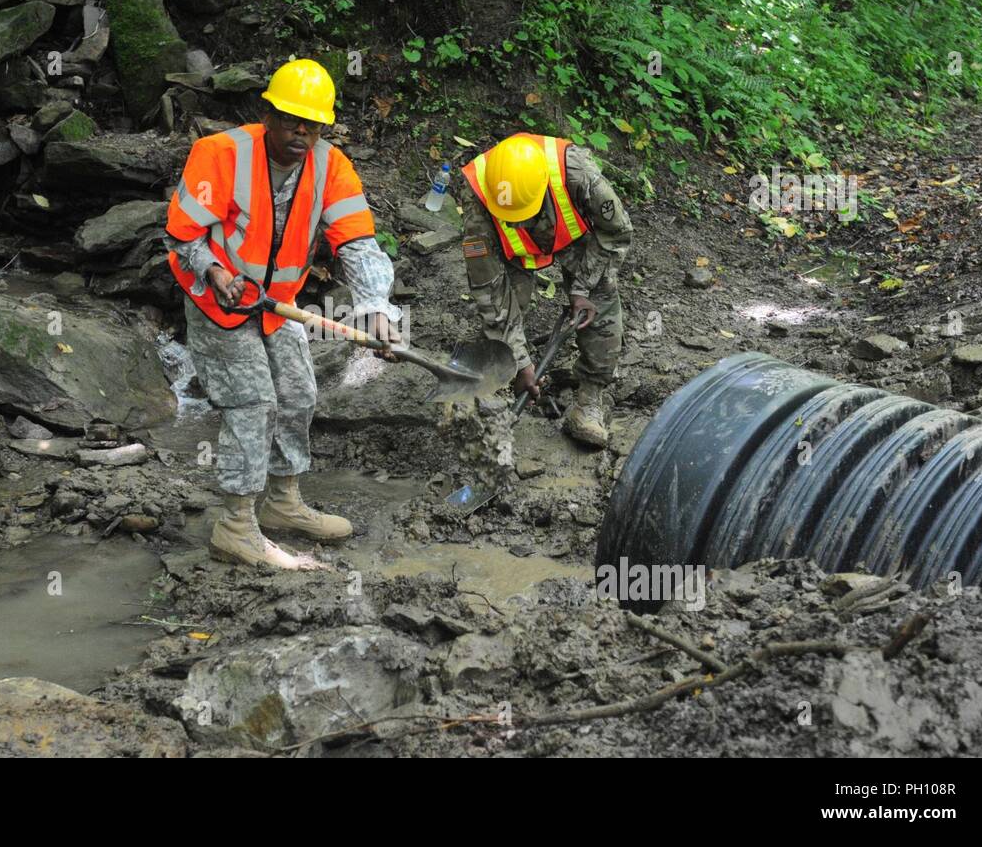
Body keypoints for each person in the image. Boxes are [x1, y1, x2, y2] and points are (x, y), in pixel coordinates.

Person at [164, 59, 401, 569]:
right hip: (217, 300)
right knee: (252, 402)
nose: (302, 132)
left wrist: (375, 306)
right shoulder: (220, 153)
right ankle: (235, 526)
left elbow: (358, 242)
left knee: (297, 393)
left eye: (313, 124)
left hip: (280, 304)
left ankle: (283, 502)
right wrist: (214, 273)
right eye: (292, 119)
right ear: (267, 112)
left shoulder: (330, 166)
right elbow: (182, 234)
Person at [458, 133, 633, 447]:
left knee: (600, 299)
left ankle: (589, 401)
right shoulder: (475, 196)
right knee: (502, 317)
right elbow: (488, 288)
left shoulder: (578, 173)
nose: (520, 223)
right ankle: (498, 388)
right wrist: (522, 362)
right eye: (514, 218)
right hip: (514, 256)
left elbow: (616, 232)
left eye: (526, 214)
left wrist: (583, 288)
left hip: (575, 242)